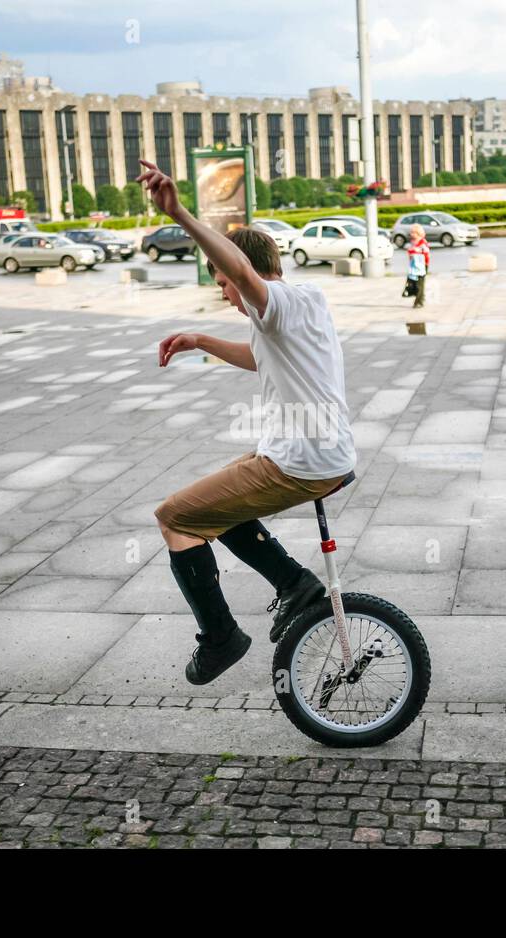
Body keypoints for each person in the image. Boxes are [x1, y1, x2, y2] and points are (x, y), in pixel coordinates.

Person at [137, 158, 357, 686]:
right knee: (216, 509)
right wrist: (201, 340)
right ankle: (295, 585)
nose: (225, 293)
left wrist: (181, 214)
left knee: (174, 517)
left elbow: (240, 273)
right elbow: (262, 358)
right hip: (315, 453)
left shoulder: (273, 302)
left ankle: (221, 639)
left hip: (301, 461)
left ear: (249, 276)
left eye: (223, 285)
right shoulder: (303, 303)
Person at [406, 224, 430, 309]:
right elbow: (409, 252)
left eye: (414, 233)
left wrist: (426, 265)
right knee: (415, 282)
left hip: (422, 265)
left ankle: (418, 302)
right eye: (411, 232)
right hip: (414, 266)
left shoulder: (423, 242)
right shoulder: (412, 242)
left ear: (418, 233)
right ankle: (421, 299)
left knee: (420, 283)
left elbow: (426, 254)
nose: (412, 234)